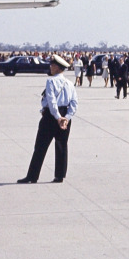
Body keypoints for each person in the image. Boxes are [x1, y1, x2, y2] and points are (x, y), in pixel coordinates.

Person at [17, 56, 78, 184]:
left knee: (40, 146)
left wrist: (57, 117)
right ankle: (59, 176)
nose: (50, 67)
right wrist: (66, 118)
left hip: (51, 117)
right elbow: (74, 103)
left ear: (57, 67)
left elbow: (51, 101)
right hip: (65, 115)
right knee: (61, 145)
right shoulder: (70, 83)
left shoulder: (51, 81)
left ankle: (32, 176)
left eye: (52, 65)